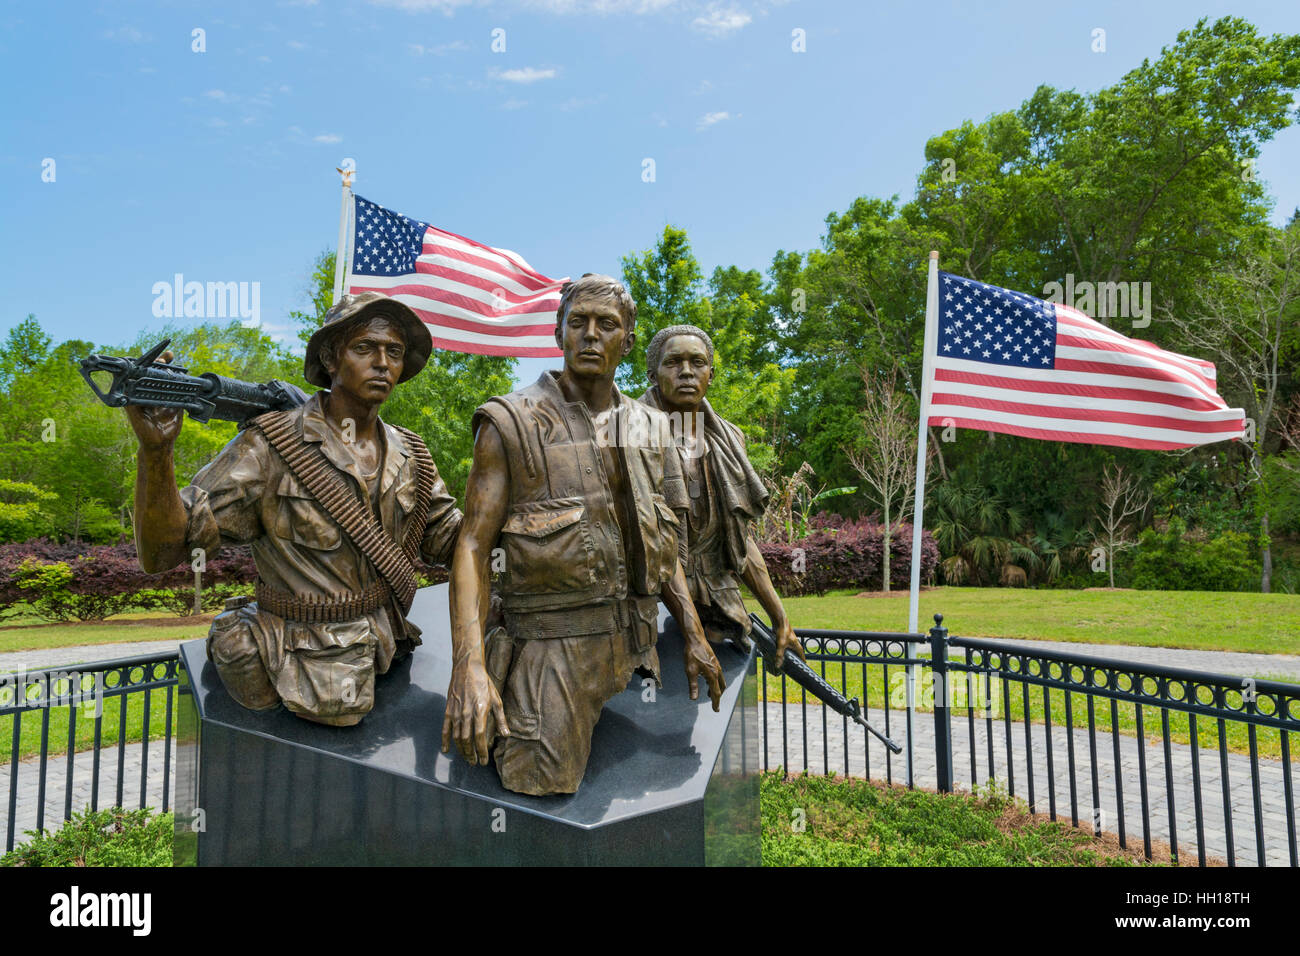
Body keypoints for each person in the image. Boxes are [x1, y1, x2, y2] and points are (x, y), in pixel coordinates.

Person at [442, 274, 726, 796]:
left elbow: (664, 548)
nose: (591, 335)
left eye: (607, 325)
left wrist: (694, 634)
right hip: (552, 650)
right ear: (559, 333)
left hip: (636, 649)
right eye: (578, 322)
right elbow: (473, 546)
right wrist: (469, 667)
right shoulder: (510, 422)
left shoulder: (650, 426)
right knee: (541, 788)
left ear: (628, 341)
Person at [127, 292, 462, 726]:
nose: (382, 363)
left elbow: (453, 539)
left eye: (393, 352)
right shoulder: (269, 446)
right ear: (330, 358)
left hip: (388, 639)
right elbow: (162, 554)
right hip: (299, 657)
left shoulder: (411, 452)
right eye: (364, 348)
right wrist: (156, 453)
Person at [639, 324, 805, 670]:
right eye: (674, 362)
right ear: (653, 375)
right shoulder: (629, 435)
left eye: (697, 362)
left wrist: (779, 616)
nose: (687, 372)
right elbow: (658, 543)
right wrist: (692, 634)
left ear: (711, 375)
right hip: (650, 605)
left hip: (717, 599)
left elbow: (739, 538)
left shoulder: (729, 439)